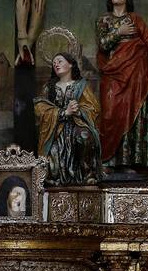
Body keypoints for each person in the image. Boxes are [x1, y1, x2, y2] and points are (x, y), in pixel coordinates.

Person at [96, 0, 148, 177]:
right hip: (113, 74)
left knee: (136, 116)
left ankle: (131, 162)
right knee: (110, 114)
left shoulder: (136, 19)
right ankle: (108, 160)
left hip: (138, 74)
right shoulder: (104, 21)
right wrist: (118, 32)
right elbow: (102, 44)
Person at [35, 52, 101, 185]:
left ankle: (87, 174)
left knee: (84, 136)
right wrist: (64, 113)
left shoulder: (81, 86)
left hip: (77, 126)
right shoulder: (49, 87)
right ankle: (54, 177)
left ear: (70, 64)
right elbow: (40, 108)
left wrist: (78, 110)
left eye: (59, 61)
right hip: (55, 129)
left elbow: (94, 107)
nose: (56, 64)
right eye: (54, 63)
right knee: (52, 160)